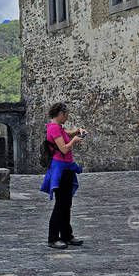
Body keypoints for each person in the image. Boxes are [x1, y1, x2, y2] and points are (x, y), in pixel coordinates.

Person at [40, 102, 85, 249]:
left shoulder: (58, 128)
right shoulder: (53, 128)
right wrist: (74, 141)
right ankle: (53, 238)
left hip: (66, 169)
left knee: (66, 204)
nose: (67, 117)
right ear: (60, 114)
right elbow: (64, 149)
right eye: (66, 114)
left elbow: (66, 134)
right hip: (60, 170)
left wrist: (76, 131)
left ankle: (66, 235)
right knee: (60, 205)